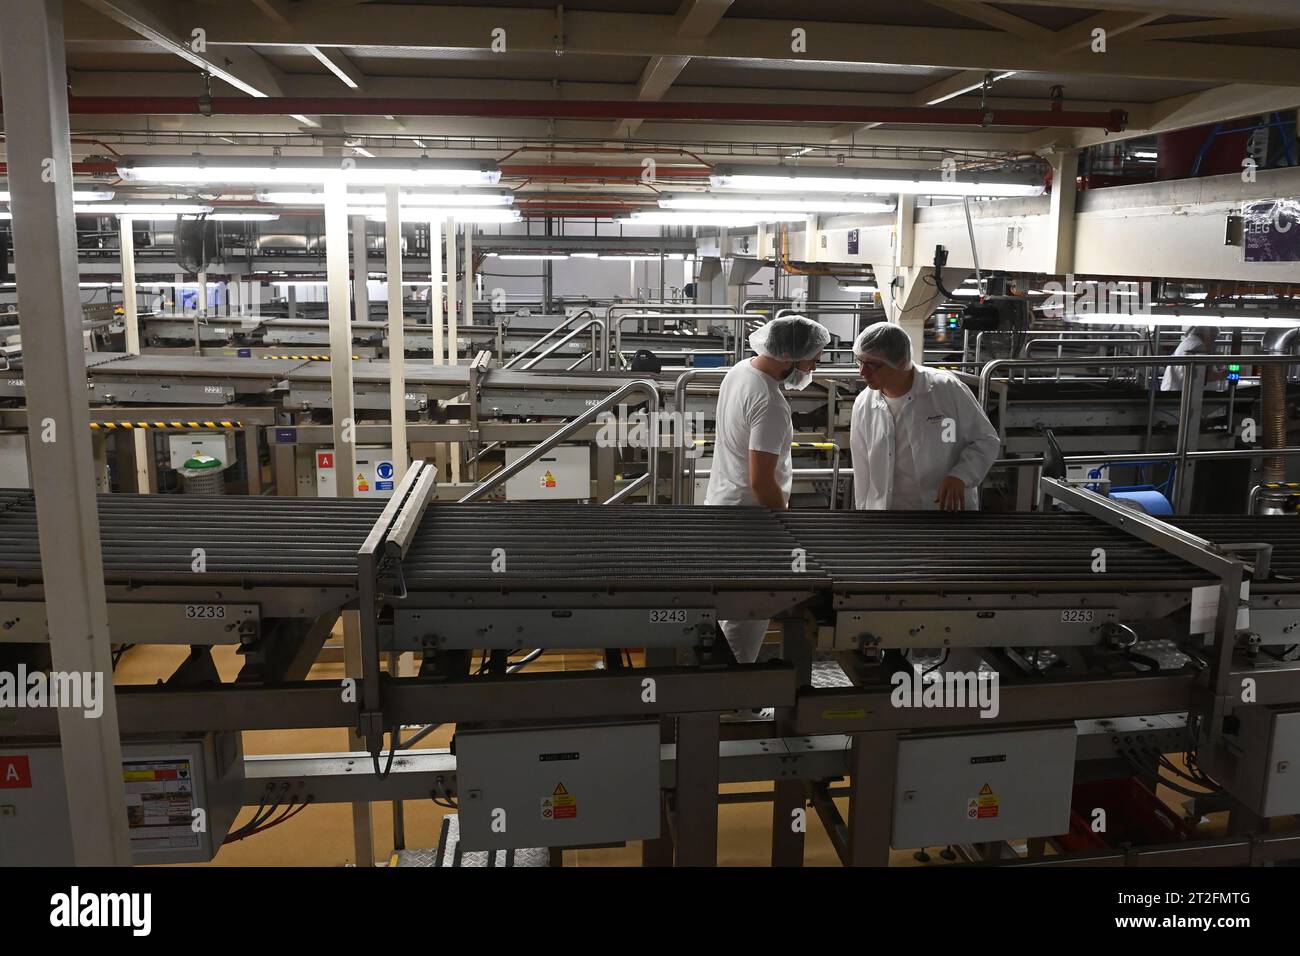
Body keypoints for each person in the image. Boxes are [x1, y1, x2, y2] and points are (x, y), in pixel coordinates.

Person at [703, 315, 829, 663]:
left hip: (723, 503)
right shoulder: (770, 403)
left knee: (729, 604)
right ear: (789, 356)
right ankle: (737, 695)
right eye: (812, 358)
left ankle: (721, 684)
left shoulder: (740, 371)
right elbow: (761, 480)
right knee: (749, 610)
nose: (814, 366)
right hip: (751, 520)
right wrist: (785, 525)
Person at [850, 322, 999, 511]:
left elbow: (986, 440)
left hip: (944, 511)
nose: (862, 372)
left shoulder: (945, 389)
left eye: (874, 365)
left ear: (901, 361)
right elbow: (862, 468)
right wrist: (863, 513)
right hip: (887, 516)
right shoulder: (864, 404)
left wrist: (961, 475)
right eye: (860, 362)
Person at [1160, 326, 1224, 392]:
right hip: (1183, 394)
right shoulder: (1200, 346)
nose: (1214, 342)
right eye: (1215, 337)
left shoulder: (1187, 342)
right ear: (1209, 335)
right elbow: (1206, 376)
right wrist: (1223, 374)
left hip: (1174, 389)